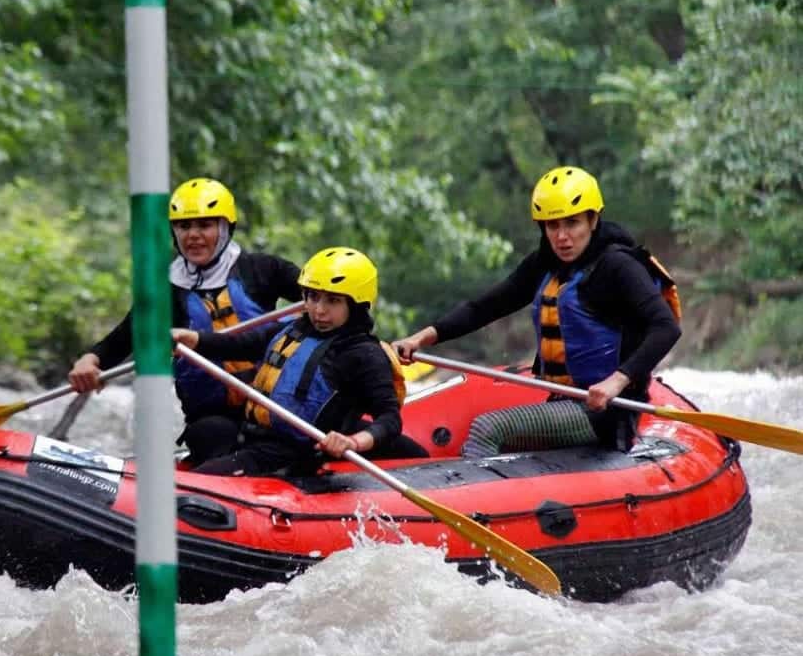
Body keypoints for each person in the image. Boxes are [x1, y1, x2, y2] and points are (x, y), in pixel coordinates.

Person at [393, 165, 681, 458]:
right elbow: (486, 307)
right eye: (552, 225)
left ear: (593, 220)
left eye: (572, 223)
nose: (562, 236)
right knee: (482, 435)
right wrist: (421, 339)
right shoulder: (546, 263)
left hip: (606, 411)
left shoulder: (618, 266)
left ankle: (477, 503)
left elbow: (666, 327)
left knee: (487, 428)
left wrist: (617, 381)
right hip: (561, 402)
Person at [68, 177, 303, 464]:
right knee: (210, 435)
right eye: (184, 226)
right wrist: (91, 360)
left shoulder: (264, 269)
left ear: (225, 227)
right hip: (214, 416)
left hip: (279, 405)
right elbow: (128, 335)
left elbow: (323, 301)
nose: (193, 235)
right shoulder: (166, 288)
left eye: (204, 225)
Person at [172, 247, 405, 476]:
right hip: (255, 438)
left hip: (294, 456)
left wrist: (353, 442)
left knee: (192, 488)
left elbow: (389, 419)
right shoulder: (295, 329)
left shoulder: (364, 354)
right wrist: (192, 339)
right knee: (204, 431)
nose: (319, 310)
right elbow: (240, 344)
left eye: (333, 301)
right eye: (313, 297)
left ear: (356, 306)